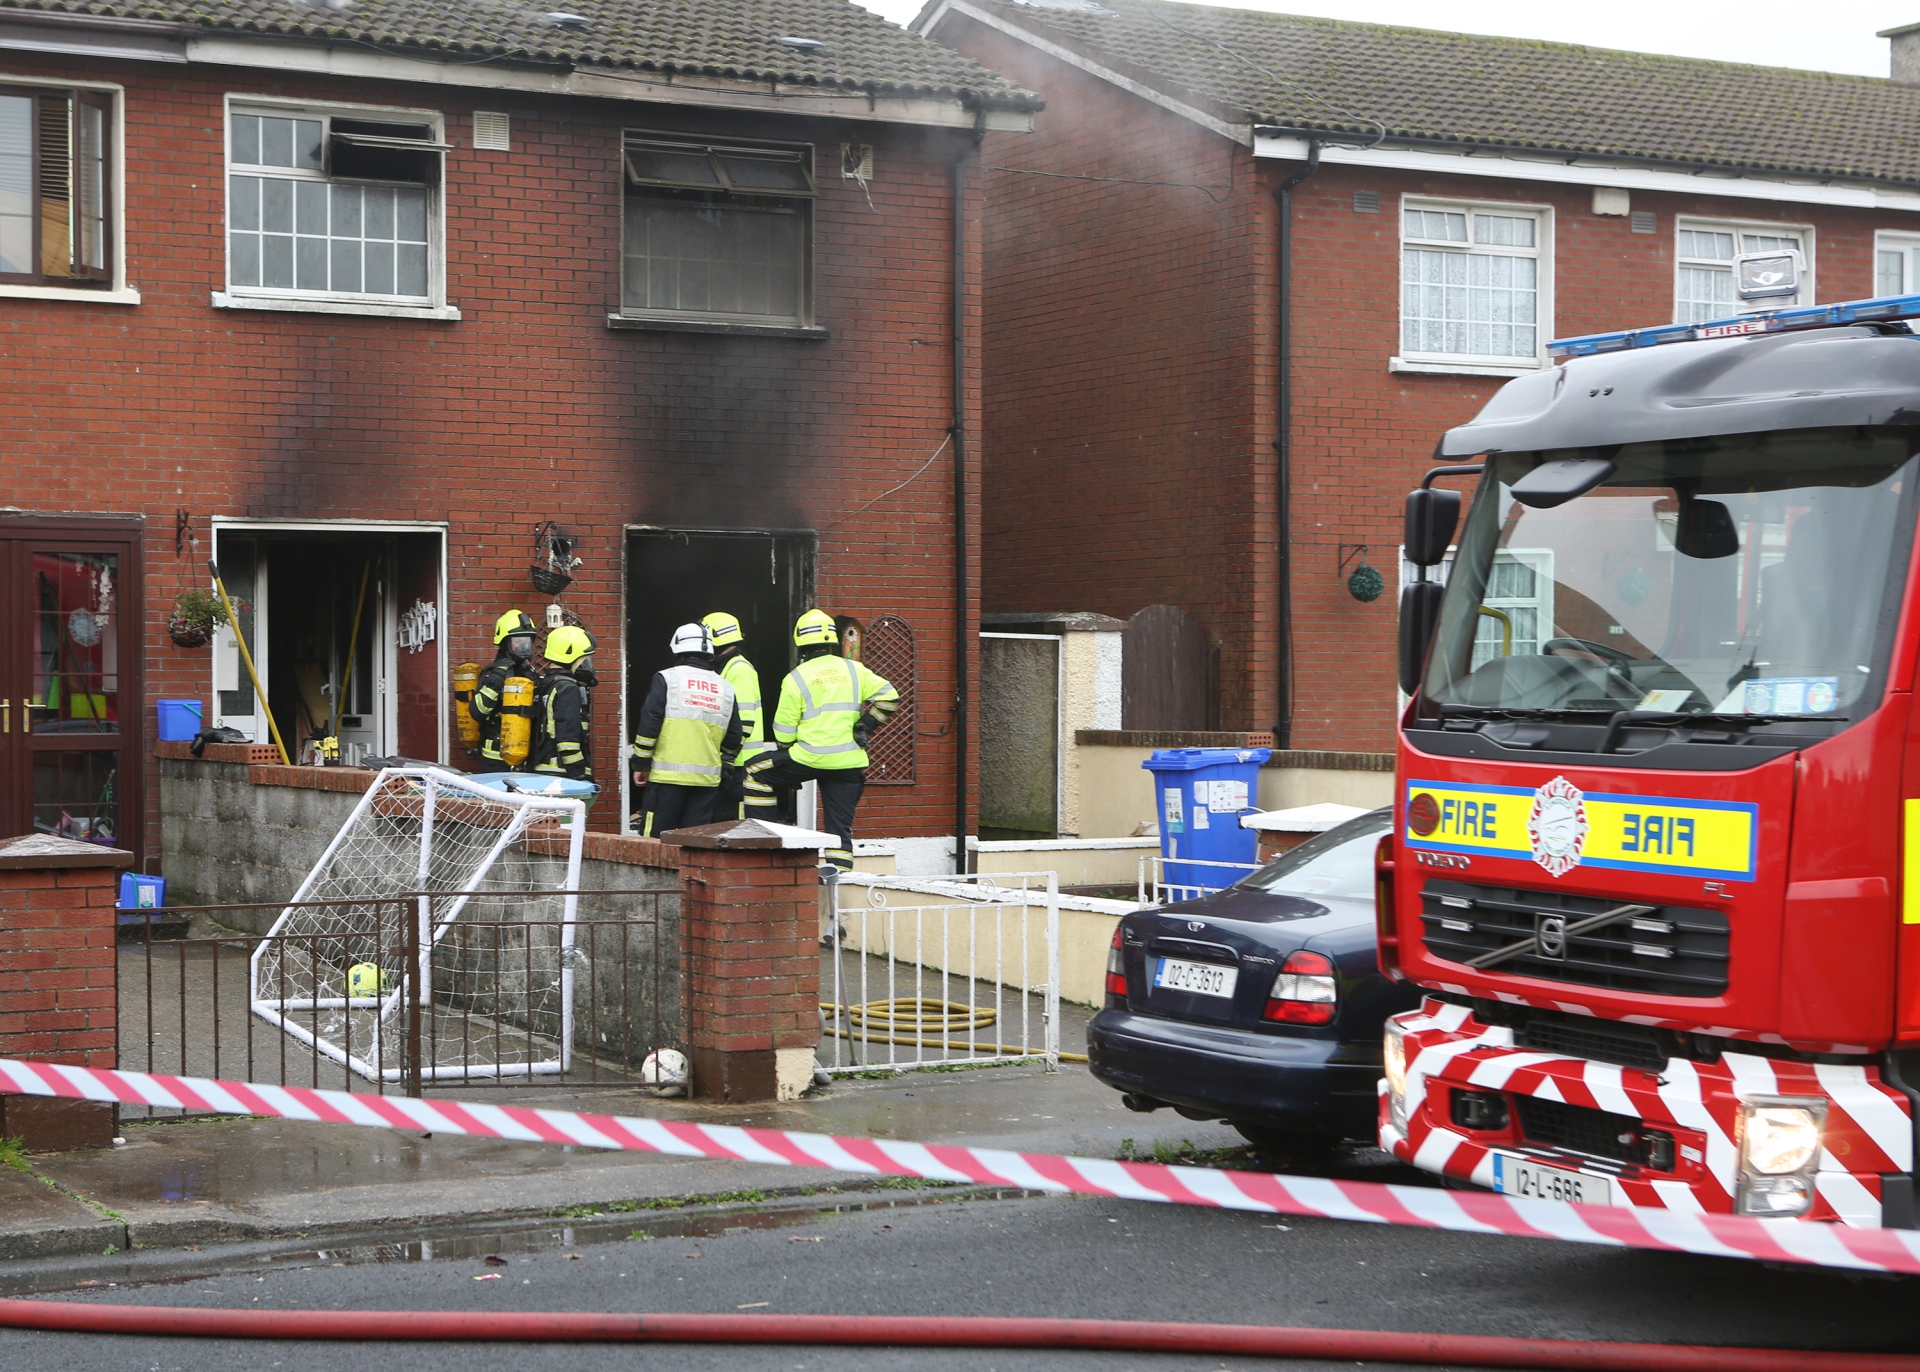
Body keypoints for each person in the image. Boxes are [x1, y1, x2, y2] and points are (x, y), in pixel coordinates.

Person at [749, 608, 898, 871]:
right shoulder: (855, 669)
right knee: (839, 832)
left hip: (807, 759)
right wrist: (865, 725)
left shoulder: (796, 677)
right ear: (833, 640)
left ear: (800, 643)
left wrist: (788, 761)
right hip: (848, 764)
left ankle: (762, 844)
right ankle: (838, 890)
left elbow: (783, 732)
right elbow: (890, 696)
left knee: (754, 772)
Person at [630, 623, 744, 837]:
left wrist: (641, 763)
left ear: (677, 648)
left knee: (655, 844)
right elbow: (734, 736)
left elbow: (649, 724)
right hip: (707, 782)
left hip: (667, 780)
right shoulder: (725, 687)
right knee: (696, 846)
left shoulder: (667, 679)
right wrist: (725, 765)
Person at [701, 610, 771, 819]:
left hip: (741, 764)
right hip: (733, 761)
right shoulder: (726, 668)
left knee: (736, 824)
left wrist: (728, 756)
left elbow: (745, 720)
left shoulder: (739, 669)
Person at [469, 610, 537, 772]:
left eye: (528, 641)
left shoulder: (530, 674)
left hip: (527, 754)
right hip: (495, 757)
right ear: (505, 643)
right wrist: (496, 681)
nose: (524, 646)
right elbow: (477, 712)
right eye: (518, 641)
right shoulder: (492, 674)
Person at [529, 625, 597, 782]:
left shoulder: (545, 684)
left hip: (541, 767)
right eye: (585, 660)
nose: (588, 665)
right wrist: (578, 772)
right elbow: (568, 733)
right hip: (562, 773)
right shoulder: (568, 689)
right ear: (569, 655)